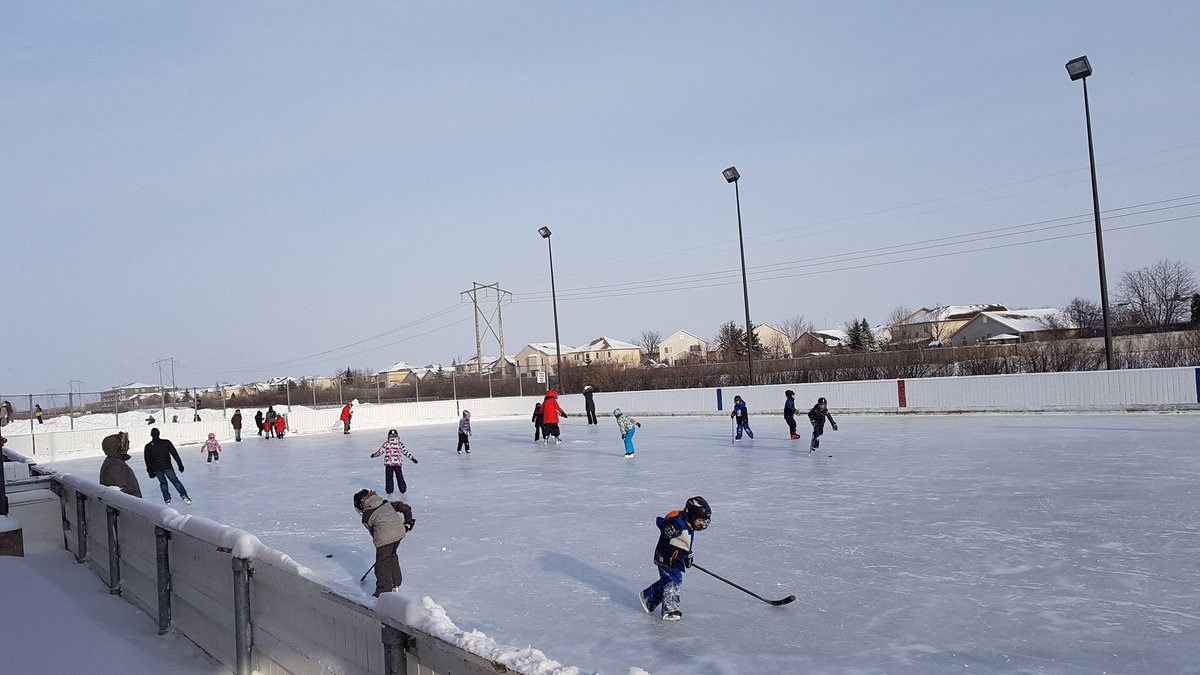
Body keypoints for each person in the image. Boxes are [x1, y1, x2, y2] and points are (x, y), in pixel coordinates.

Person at [639, 496, 711, 622]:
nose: (702, 524)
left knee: (668, 580)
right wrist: (671, 528)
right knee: (673, 581)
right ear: (692, 516)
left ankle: (648, 598)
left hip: (676, 558)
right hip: (665, 557)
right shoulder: (678, 522)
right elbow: (666, 522)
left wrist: (688, 555)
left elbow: (685, 543)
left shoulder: (690, 526)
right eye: (700, 520)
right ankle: (669, 610)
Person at [354, 488, 415, 598]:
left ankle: (383, 593)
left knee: (382, 563)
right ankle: (395, 582)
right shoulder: (385, 503)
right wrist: (408, 522)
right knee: (392, 555)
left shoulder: (366, 516)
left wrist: (383, 547)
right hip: (399, 532)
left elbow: (375, 534)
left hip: (385, 536)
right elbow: (404, 508)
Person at [144, 428, 190, 505]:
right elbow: (174, 453)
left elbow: (147, 460)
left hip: (157, 468)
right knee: (175, 481)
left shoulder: (148, 446)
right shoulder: (166, 442)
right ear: (159, 434)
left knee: (163, 483)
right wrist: (179, 464)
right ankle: (184, 495)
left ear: (151, 435)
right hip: (167, 466)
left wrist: (150, 471)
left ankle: (167, 499)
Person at [370, 429, 418, 496]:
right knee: (399, 476)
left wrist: (374, 455)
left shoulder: (387, 443)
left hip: (389, 464)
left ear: (388, 436)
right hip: (397, 464)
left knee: (389, 477)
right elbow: (405, 452)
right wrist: (412, 458)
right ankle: (403, 489)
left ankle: (389, 491)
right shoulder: (400, 444)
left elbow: (380, 451)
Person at [99, 431, 142, 497]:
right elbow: (120, 496)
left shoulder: (114, 462)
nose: (128, 448)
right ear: (117, 448)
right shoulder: (115, 467)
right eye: (125, 446)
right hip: (131, 505)